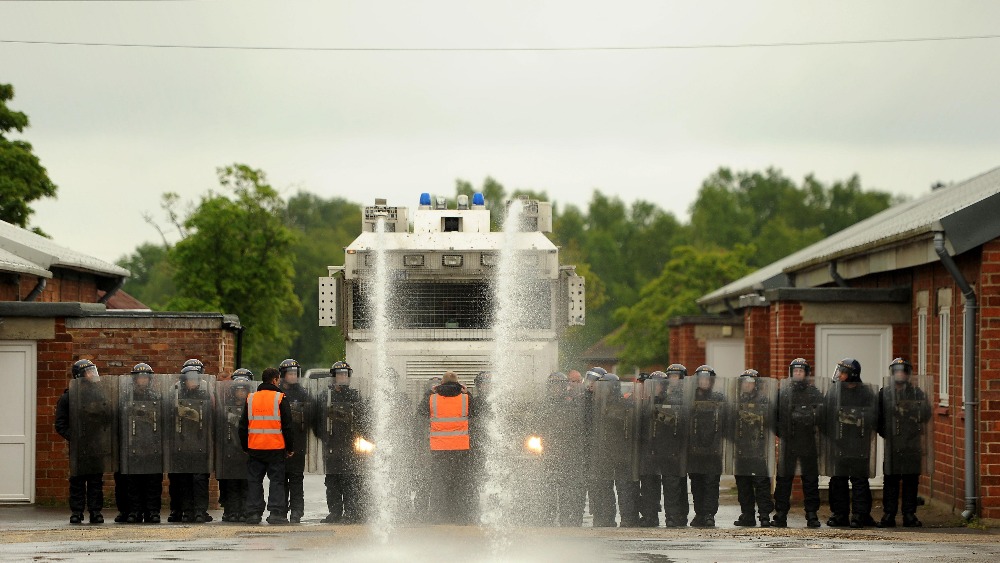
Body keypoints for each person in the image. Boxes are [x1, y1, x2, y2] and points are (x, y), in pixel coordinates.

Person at [56, 359, 114, 524]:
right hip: (79, 446)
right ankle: (77, 511)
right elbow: (60, 424)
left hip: (96, 443)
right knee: (77, 481)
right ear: (79, 375)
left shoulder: (100, 394)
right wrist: (74, 437)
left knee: (96, 480)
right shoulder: (68, 397)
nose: (92, 375)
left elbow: (108, 417)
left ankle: (95, 511)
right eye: (88, 372)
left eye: (92, 371)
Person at [877, 357, 931, 528]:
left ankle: (909, 514)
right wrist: (887, 433)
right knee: (890, 480)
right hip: (893, 444)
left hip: (912, 443)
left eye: (902, 371)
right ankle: (889, 514)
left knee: (910, 480)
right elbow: (877, 418)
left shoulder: (917, 393)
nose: (899, 374)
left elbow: (926, 414)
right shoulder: (884, 393)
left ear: (907, 374)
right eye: (897, 371)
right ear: (892, 373)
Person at [826, 358, 878, 529]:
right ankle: (840, 514)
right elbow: (825, 414)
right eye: (839, 371)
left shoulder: (866, 393)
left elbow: (873, 417)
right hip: (839, 442)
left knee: (859, 481)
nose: (839, 375)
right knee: (837, 480)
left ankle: (860, 515)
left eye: (843, 372)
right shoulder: (834, 392)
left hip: (858, 443)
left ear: (852, 375)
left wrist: (856, 417)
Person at [773, 358, 825, 528]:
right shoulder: (784, 393)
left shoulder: (813, 393)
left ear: (806, 374)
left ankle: (812, 514)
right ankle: (780, 514)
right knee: (784, 479)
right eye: (795, 371)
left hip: (808, 441)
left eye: (801, 371)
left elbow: (822, 414)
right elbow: (774, 417)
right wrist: (782, 434)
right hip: (789, 442)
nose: (797, 374)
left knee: (810, 479)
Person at [239, 367, 295, 525]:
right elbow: (287, 426)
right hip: (276, 448)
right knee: (276, 480)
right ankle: (276, 513)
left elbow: (243, 426)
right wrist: (290, 448)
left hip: (255, 448)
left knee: (254, 480)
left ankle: (253, 514)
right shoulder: (280, 398)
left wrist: (245, 446)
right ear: (275, 380)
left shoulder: (251, 398)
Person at [316, 361, 368, 524]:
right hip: (332, 445)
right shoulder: (326, 396)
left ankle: (351, 512)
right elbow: (317, 420)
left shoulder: (354, 396)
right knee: (332, 480)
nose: (342, 377)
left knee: (350, 479)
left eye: (345, 374)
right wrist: (324, 437)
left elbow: (362, 420)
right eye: (339, 374)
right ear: (333, 377)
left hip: (351, 444)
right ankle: (335, 512)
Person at [638, 365, 690, 528]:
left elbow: (680, 425)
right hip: (649, 449)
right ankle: (649, 516)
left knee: (671, 486)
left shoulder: (673, 403)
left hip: (669, 449)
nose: (656, 387)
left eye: (659, 384)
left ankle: (672, 517)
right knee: (648, 485)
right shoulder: (643, 404)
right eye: (652, 384)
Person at [422, 370, 473, 524]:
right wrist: (469, 393)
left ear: (441, 384)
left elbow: (420, 414)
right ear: (459, 384)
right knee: (460, 482)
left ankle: (437, 516)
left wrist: (429, 394)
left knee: (438, 482)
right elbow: (479, 411)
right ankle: (460, 516)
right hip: (461, 447)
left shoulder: (432, 399)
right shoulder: (465, 399)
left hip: (438, 448)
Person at [537, 371, 587, 526]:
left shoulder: (574, 404)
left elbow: (580, 428)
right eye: (552, 386)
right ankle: (548, 519)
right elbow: (535, 427)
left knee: (569, 490)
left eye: (559, 385)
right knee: (548, 489)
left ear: (565, 386)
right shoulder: (542, 406)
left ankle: (569, 519)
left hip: (570, 454)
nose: (555, 389)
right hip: (548, 454)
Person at [167, 358, 212, 523]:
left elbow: (214, 414)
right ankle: (184, 510)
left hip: (200, 442)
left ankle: (200, 510)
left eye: (195, 378)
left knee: (199, 479)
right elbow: (167, 414)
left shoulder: (207, 391)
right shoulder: (175, 392)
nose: (192, 381)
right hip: (180, 442)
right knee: (181, 479)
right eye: (189, 378)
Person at [731, 369, 776, 528]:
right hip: (741, 449)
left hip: (758, 450)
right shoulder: (737, 402)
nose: (746, 385)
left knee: (762, 484)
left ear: (755, 384)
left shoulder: (764, 402)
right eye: (744, 382)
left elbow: (771, 424)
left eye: (750, 382)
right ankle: (747, 514)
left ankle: (764, 515)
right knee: (743, 484)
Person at [121, 363, 164, 524]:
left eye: (145, 377)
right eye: (139, 377)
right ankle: (135, 511)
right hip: (133, 444)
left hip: (152, 444)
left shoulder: (156, 397)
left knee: (152, 482)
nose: (142, 380)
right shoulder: (127, 397)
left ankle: (153, 511)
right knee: (134, 482)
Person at [686, 365, 727, 528]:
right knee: (696, 484)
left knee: (711, 483)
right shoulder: (689, 399)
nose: (704, 382)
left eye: (706, 379)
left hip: (713, 449)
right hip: (694, 449)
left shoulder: (719, 399)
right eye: (701, 379)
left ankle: (709, 514)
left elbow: (726, 421)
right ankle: (700, 513)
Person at [217, 369, 255, 522]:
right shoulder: (226, 406)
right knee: (231, 483)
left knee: (246, 483)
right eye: (238, 390)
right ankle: (231, 510)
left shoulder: (253, 406)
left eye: (243, 390)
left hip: (247, 450)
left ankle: (245, 510)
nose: (241, 393)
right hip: (230, 449)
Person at [278, 358, 312, 524]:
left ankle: (297, 511)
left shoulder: (303, 393)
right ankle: (282, 510)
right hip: (279, 442)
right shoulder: (277, 394)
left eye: (295, 373)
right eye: (290, 373)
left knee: (296, 479)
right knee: (281, 478)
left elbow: (311, 415)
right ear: (283, 375)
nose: (293, 376)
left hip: (298, 442)